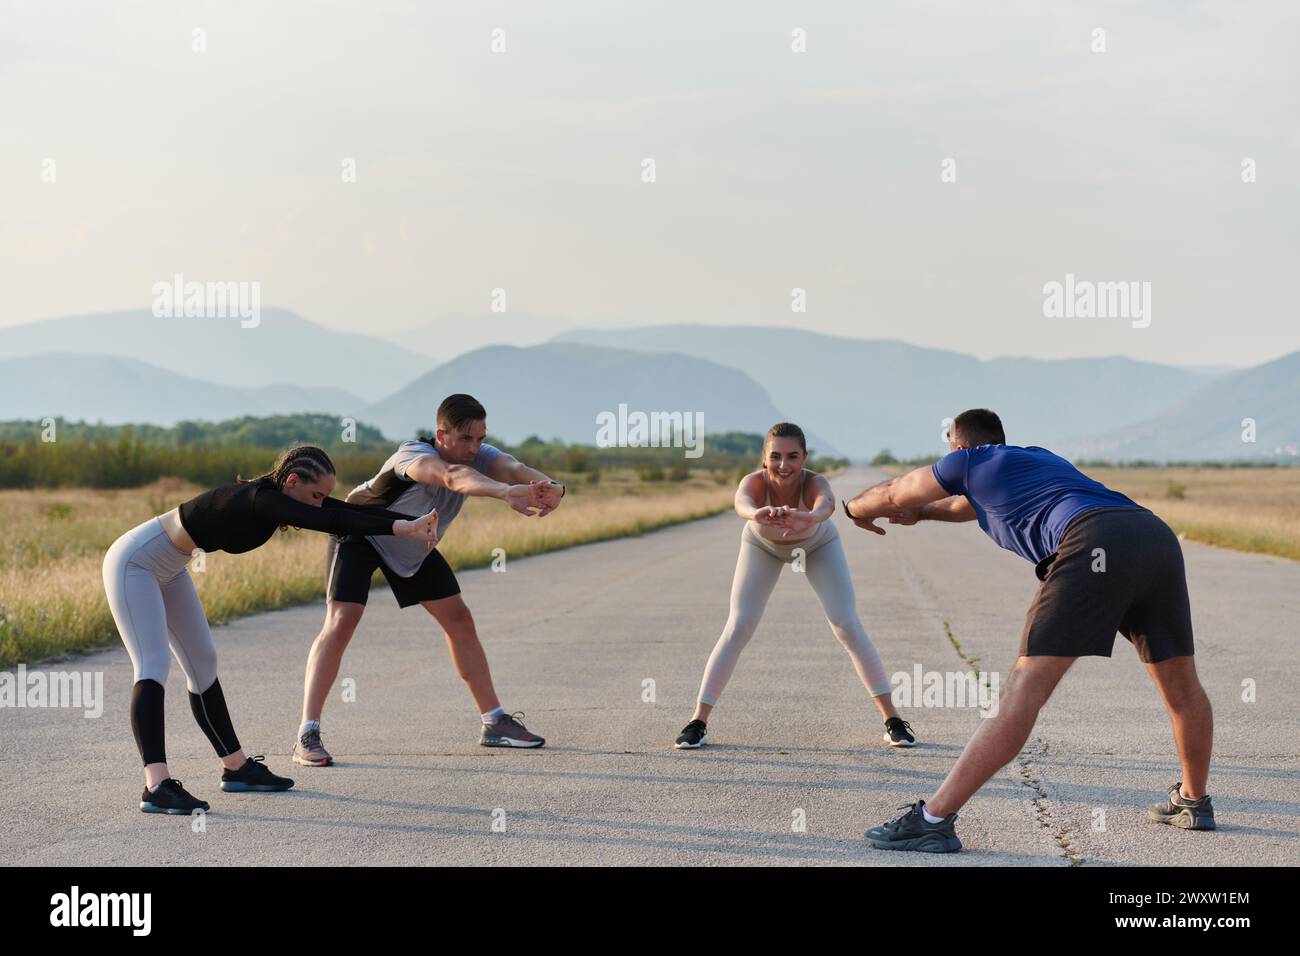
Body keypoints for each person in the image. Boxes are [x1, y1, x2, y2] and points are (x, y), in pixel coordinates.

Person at [847, 409, 1214, 853]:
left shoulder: (966, 460)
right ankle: (1193, 802)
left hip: (1091, 538)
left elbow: (891, 491)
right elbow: (967, 505)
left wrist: (852, 509)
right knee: (1181, 685)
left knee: (1025, 688)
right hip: (1151, 534)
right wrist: (923, 514)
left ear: (959, 447)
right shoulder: (1032, 458)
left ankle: (932, 819)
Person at [102, 445, 438, 814]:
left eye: (322, 496)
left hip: (170, 566)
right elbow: (332, 521)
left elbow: (340, 510)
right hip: (135, 562)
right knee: (152, 664)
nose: (318, 503)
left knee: (203, 663)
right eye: (315, 495)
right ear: (292, 481)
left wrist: (403, 524)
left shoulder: (283, 496)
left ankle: (236, 768)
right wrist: (396, 526)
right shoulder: (262, 500)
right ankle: (157, 784)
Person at [293, 393, 565, 766]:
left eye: (480, 438)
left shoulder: (479, 455)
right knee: (342, 622)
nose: (475, 448)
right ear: (441, 434)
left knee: (459, 618)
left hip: (414, 541)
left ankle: (495, 722)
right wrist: (504, 494)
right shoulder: (414, 457)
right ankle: (307, 733)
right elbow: (452, 477)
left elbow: (514, 467)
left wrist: (551, 487)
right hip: (361, 533)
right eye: (466, 439)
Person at [674, 422, 916, 750]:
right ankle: (697, 722)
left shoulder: (814, 482)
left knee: (846, 624)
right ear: (764, 459)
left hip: (817, 546)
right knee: (738, 626)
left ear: (804, 457)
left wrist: (809, 518)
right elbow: (741, 503)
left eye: (792, 456)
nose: (783, 465)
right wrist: (757, 513)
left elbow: (826, 505)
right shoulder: (755, 483)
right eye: (775, 456)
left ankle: (893, 721)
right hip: (763, 547)